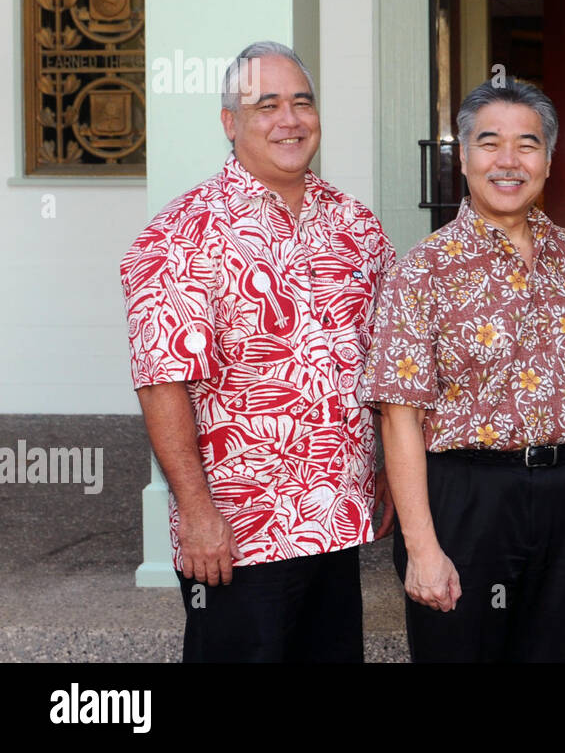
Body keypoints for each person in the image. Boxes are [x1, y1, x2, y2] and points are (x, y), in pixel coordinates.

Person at [120, 41, 396, 662]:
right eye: (266, 105)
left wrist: (383, 467)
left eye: (302, 102)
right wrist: (195, 511)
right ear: (230, 122)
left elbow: (382, 360)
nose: (289, 120)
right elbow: (161, 383)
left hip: (335, 519)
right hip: (241, 535)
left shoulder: (356, 225)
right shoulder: (181, 235)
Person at [360, 76, 565, 663]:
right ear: (464, 156)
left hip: (561, 494)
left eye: (526, 144)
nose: (508, 161)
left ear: (549, 159)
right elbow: (399, 418)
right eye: (489, 142)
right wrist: (421, 546)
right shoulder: (423, 270)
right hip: (462, 499)